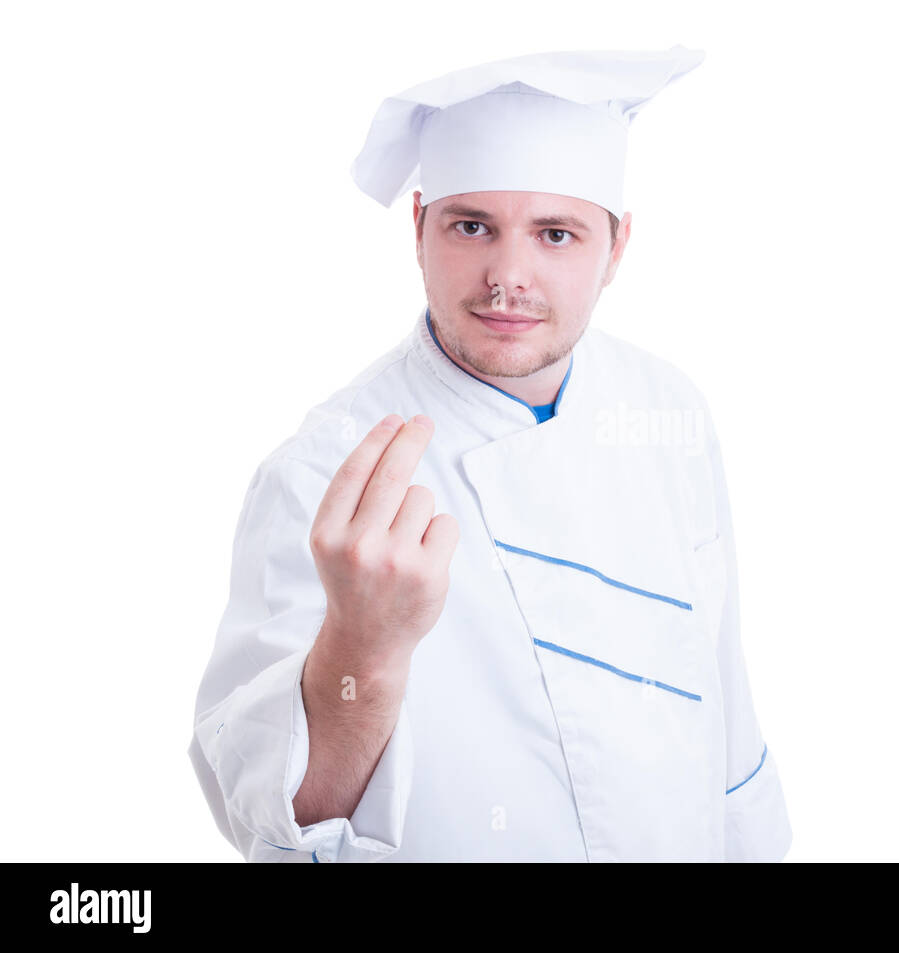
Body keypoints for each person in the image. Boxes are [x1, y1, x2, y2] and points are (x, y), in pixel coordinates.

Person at [187, 45, 793, 862]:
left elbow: (723, 692)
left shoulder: (667, 406)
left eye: (556, 233)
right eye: (472, 226)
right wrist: (363, 647)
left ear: (616, 249)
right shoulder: (325, 471)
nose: (509, 276)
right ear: (419, 228)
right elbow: (277, 816)